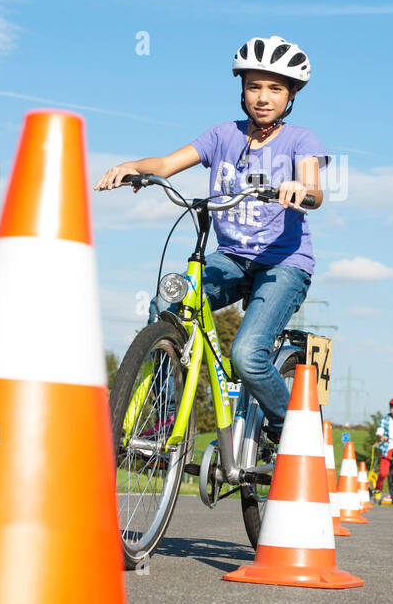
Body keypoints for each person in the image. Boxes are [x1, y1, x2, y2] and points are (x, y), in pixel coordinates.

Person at [94, 35, 328, 451]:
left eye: (275, 88)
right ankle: (166, 413)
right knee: (167, 306)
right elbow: (166, 164)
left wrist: (300, 188)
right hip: (231, 258)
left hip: (284, 263)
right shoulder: (223, 135)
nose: (263, 97)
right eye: (254, 86)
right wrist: (132, 166)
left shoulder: (301, 140)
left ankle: (290, 426)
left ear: (291, 95)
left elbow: (314, 187)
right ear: (241, 89)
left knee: (247, 355)